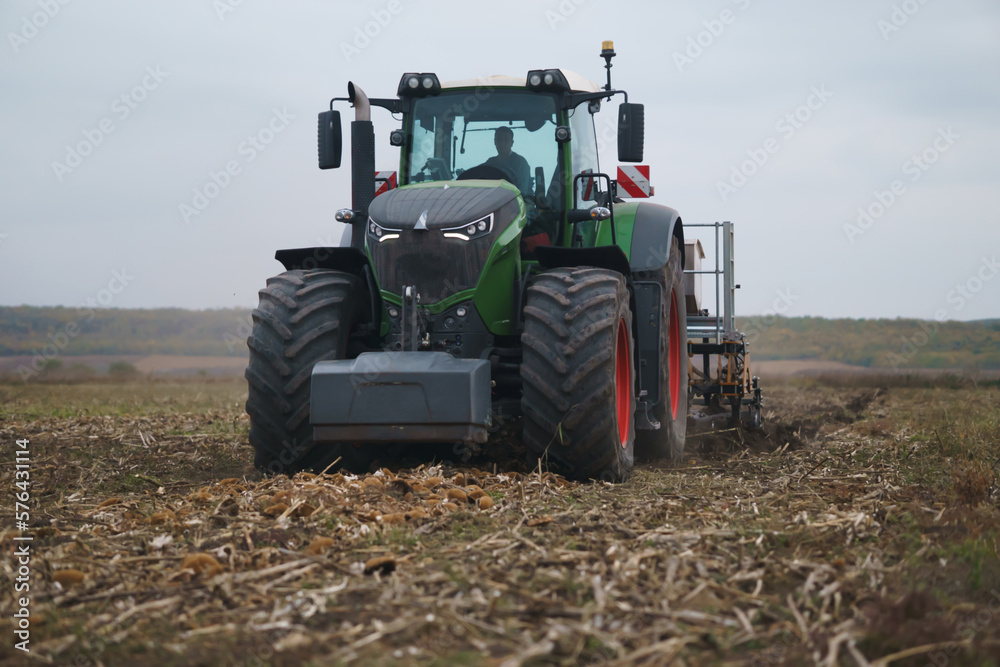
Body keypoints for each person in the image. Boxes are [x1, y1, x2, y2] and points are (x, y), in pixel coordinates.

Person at [485, 126, 530, 193]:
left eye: (506, 140)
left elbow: (522, 191)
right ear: (495, 142)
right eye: (499, 139)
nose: (502, 143)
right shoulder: (490, 162)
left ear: (512, 143)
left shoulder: (521, 162)